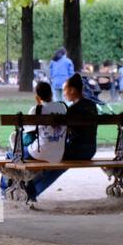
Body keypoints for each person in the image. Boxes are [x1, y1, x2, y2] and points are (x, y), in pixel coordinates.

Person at [25, 73, 98, 202]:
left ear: (73, 90)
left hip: (75, 151)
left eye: (65, 89)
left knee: (53, 160)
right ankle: (31, 190)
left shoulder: (72, 110)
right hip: (90, 150)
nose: (64, 93)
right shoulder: (92, 105)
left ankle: (30, 191)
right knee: (56, 163)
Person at [0, 81, 66, 196]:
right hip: (59, 153)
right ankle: (28, 191)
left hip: (39, 153)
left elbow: (27, 131)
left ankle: (4, 190)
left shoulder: (37, 109)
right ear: (51, 94)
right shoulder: (62, 108)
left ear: (37, 97)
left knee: (11, 156)